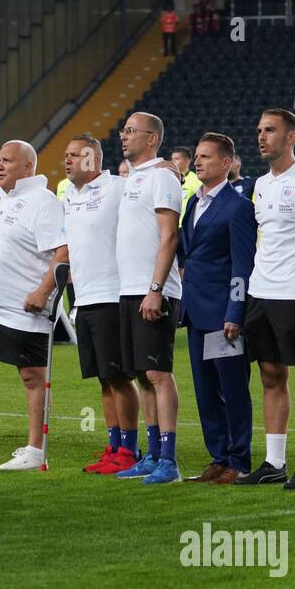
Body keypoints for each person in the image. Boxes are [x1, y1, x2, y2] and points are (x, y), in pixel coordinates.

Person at [0, 140, 68, 471]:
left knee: (33, 376)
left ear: (28, 167)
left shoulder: (44, 203)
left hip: (21, 307)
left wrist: (42, 291)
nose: (0, 165)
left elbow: (64, 253)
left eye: (8, 160)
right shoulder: (1, 199)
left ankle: (36, 450)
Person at [238, 109, 295, 489]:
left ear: (290, 137)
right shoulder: (260, 184)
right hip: (261, 292)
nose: (262, 136)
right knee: (270, 375)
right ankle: (274, 461)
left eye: (270, 130)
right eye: (259, 129)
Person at [108, 117, 186, 483]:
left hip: (153, 290)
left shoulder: (162, 177)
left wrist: (155, 290)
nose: (123, 135)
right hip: (128, 290)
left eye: (130, 130)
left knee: (158, 373)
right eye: (123, 130)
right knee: (141, 375)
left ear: (152, 138)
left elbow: (169, 236)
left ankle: (168, 460)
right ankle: (153, 455)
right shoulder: (133, 177)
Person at [58, 132, 140, 475]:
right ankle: (114, 445)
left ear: (93, 158)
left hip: (113, 295)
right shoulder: (68, 197)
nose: (67, 160)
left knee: (119, 377)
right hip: (85, 299)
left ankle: (130, 450)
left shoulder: (119, 188)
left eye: (75, 155)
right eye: (66, 154)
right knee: (103, 379)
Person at [178, 132, 257, 484]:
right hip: (196, 312)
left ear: (226, 164)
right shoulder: (195, 203)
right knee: (206, 390)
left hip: (223, 314)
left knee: (232, 389)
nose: (198, 162)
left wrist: (235, 312)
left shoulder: (239, 207)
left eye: (206, 157)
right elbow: (188, 249)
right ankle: (218, 456)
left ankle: (239, 460)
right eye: (197, 156)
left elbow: (243, 265)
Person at [169, 145, 200, 215]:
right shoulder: (168, 179)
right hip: (169, 223)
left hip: (184, 224)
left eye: (176, 159)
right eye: (172, 159)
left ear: (187, 161)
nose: (172, 162)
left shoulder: (195, 180)